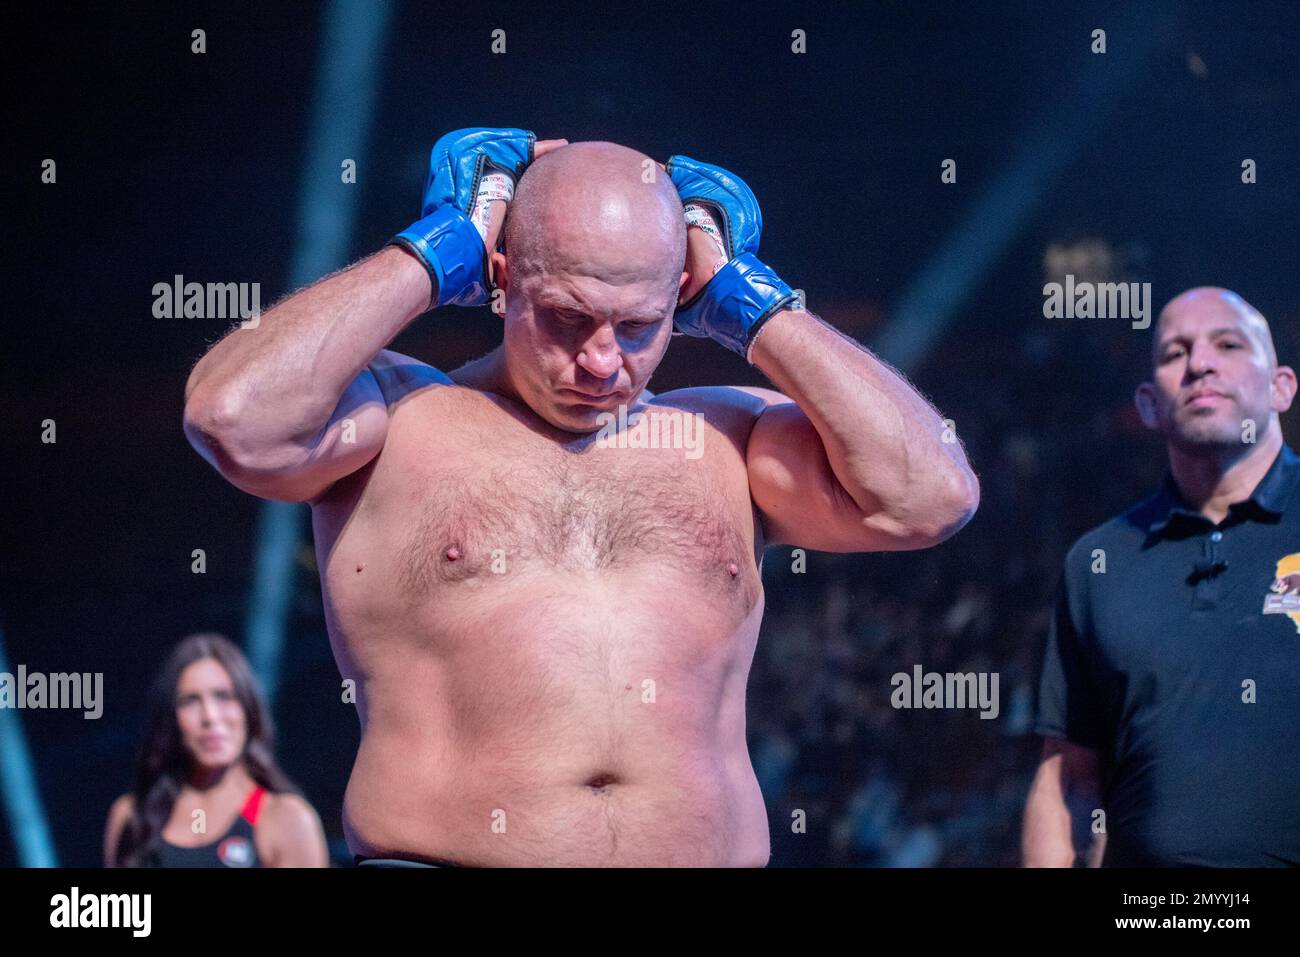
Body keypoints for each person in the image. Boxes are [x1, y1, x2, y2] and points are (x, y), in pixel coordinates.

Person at [183, 127, 979, 866]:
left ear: (685, 297)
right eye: (568, 318)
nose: (602, 361)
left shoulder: (728, 436)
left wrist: (754, 299)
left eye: (638, 325)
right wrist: (437, 247)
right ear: (499, 279)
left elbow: (929, 496)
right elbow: (234, 419)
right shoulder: (395, 415)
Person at [1024, 287, 1300, 867]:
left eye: (1228, 344)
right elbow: (1069, 784)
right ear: (1149, 404)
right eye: (1176, 353)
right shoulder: (1098, 563)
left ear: (1282, 386)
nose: (1200, 363)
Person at [105, 633, 328, 867]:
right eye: (190, 701)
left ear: (248, 708)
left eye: (224, 696)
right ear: (170, 718)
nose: (210, 717)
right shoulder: (132, 817)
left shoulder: (285, 819)